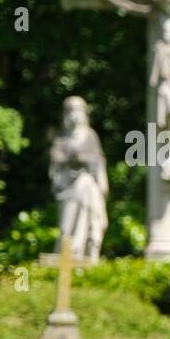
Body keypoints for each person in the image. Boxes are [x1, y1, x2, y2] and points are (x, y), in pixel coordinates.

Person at [50, 96, 108, 261]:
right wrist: (70, 158)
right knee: (66, 227)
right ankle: (68, 254)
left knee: (87, 185)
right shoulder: (61, 139)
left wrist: (85, 160)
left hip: (87, 187)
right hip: (67, 188)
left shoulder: (90, 136)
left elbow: (98, 163)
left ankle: (85, 251)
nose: (75, 114)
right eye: (71, 110)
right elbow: (56, 165)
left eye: (78, 110)